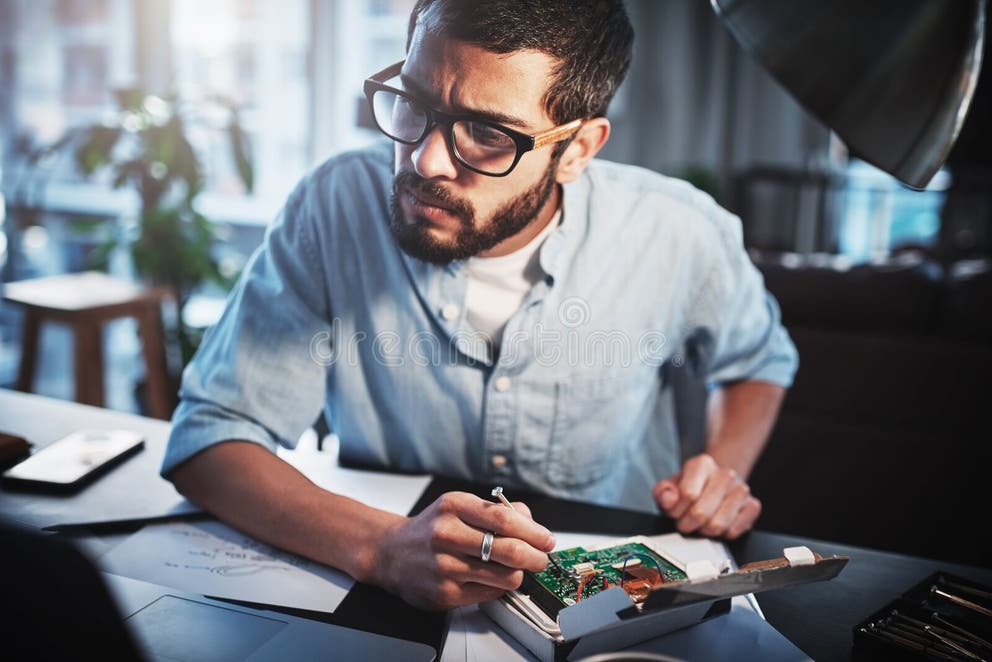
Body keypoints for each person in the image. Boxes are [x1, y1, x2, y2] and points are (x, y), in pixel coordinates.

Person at [162, 0, 797, 611]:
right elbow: (209, 438)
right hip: (382, 602)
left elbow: (757, 359)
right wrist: (379, 546)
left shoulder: (678, 229)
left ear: (576, 150)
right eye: (414, 104)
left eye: (489, 133)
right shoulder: (333, 206)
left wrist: (720, 472)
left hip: (613, 605)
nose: (424, 159)